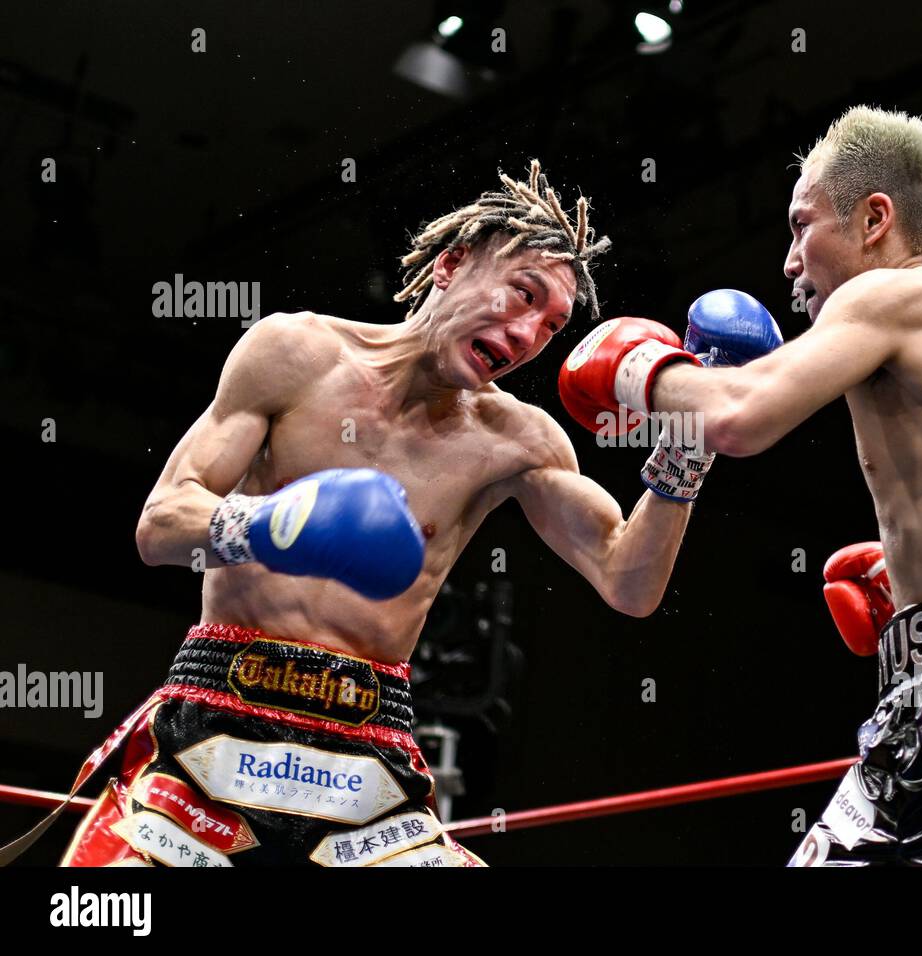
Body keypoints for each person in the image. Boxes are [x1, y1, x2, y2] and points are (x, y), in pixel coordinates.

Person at [3, 161, 740, 868]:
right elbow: (161, 524)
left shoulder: (517, 440)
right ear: (452, 263)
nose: (525, 337)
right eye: (522, 294)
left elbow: (628, 582)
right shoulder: (295, 351)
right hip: (215, 723)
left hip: (367, 760)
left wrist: (692, 443)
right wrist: (273, 528)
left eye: (550, 327)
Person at [558, 106, 922, 866]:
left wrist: (639, 369)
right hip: (917, 716)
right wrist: (921, 569)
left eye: (803, 226)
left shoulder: (894, 294)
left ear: (874, 219)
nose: (791, 260)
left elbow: (740, 416)